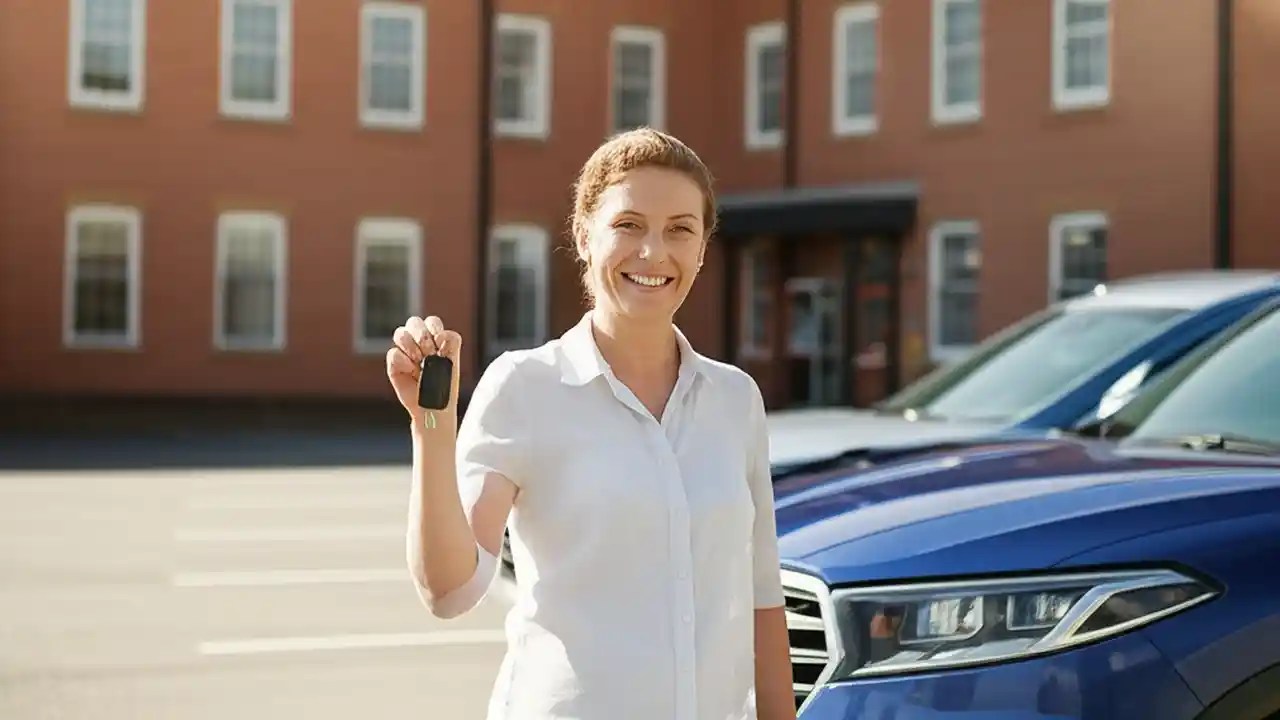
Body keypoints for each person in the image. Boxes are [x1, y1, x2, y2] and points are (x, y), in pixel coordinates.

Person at [387, 128, 795, 720]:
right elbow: (450, 590)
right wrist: (432, 426)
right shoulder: (524, 387)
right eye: (628, 225)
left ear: (703, 250)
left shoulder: (735, 400)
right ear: (583, 235)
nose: (653, 252)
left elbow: (760, 598)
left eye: (679, 229)